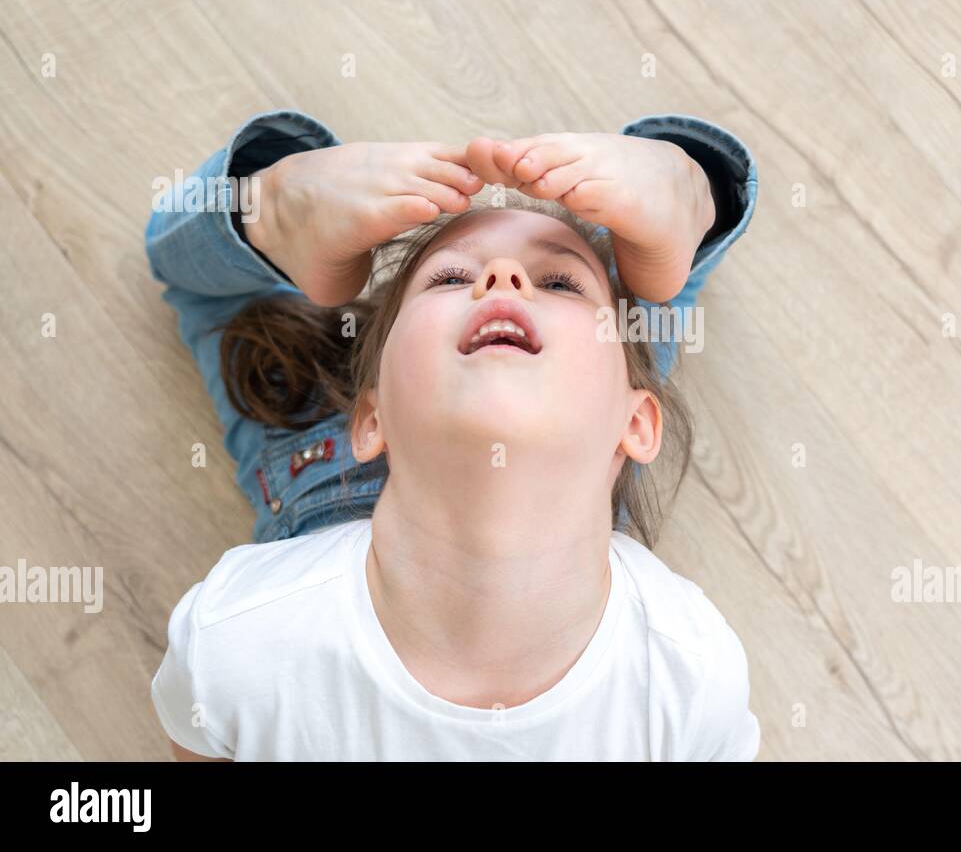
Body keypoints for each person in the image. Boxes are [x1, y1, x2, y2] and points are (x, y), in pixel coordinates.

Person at [146, 110, 759, 760]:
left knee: (626, 316)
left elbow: (182, 274)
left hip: (334, 488)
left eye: (556, 280)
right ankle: (690, 197)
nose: (503, 279)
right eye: (451, 278)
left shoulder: (243, 641)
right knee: (639, 303)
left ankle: (269, 211)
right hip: (571, 470)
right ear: (371, 415)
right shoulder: (686, 676)